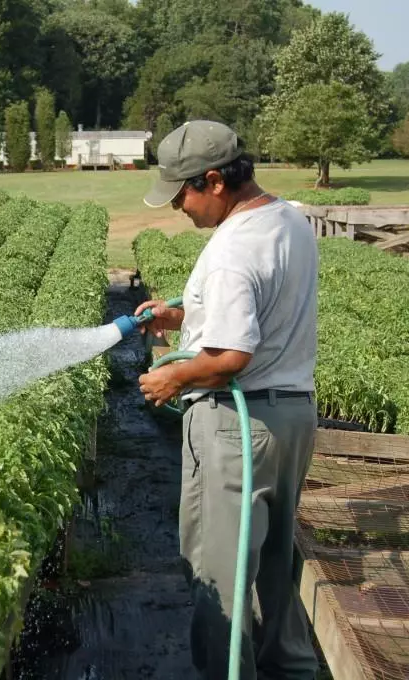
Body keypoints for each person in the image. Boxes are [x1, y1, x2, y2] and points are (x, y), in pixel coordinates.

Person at [135, 120, 320, 680]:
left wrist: (173, 377)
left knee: (220, 581)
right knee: (272, 570)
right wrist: (182, 318)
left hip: (239, 429)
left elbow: (231, 358)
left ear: (214, 181)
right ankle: (290, 670)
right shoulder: (288, 219)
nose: (177, 208)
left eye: (181, 194)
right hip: (291, 417)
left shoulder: (230, 252)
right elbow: (258, 316)